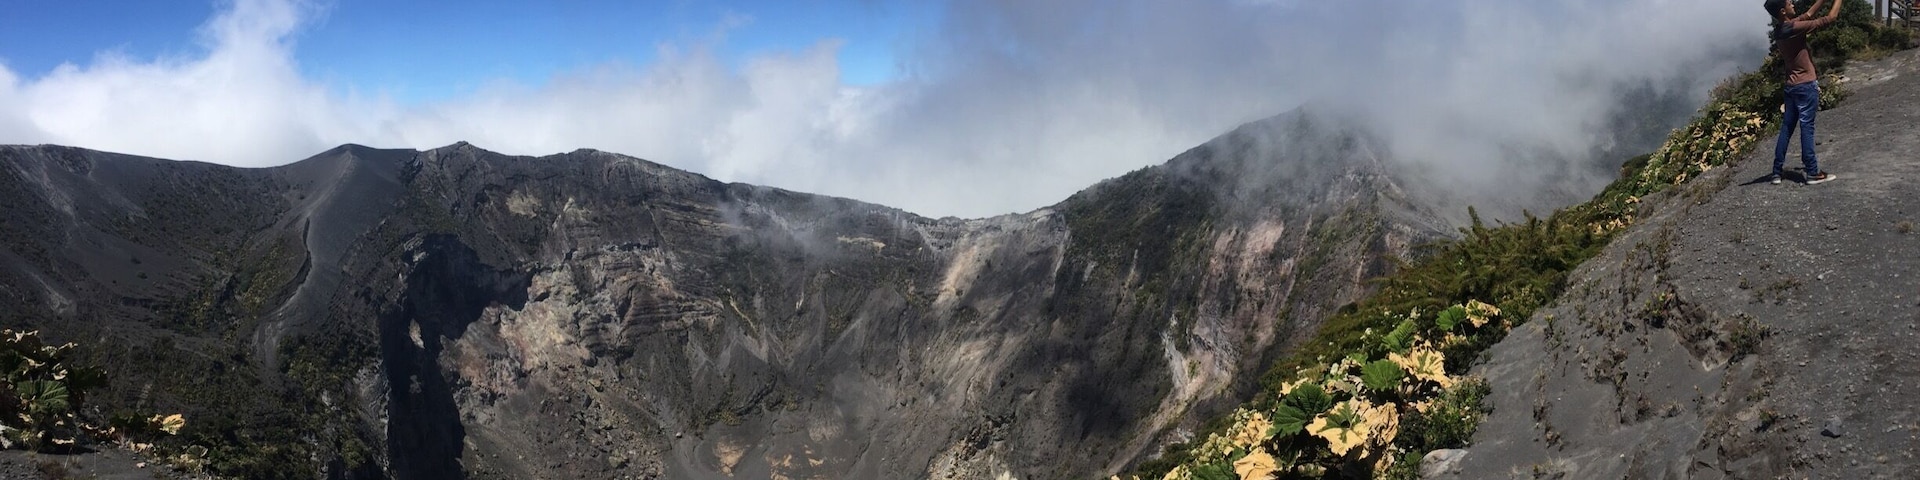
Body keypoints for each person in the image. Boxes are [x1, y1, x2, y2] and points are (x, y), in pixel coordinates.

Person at [1765, 0, 1844, 185]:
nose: (1793, 2)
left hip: (1791, 87)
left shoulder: (1781, 30)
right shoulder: (1795, 28)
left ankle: (1776, 172)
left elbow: (1808, 15)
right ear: (1783, 10)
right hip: (1806, 86)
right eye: (1789, 2)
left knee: (1787, 129)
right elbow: (1830, 18)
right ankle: (1812, 172)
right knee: (1807, 128)